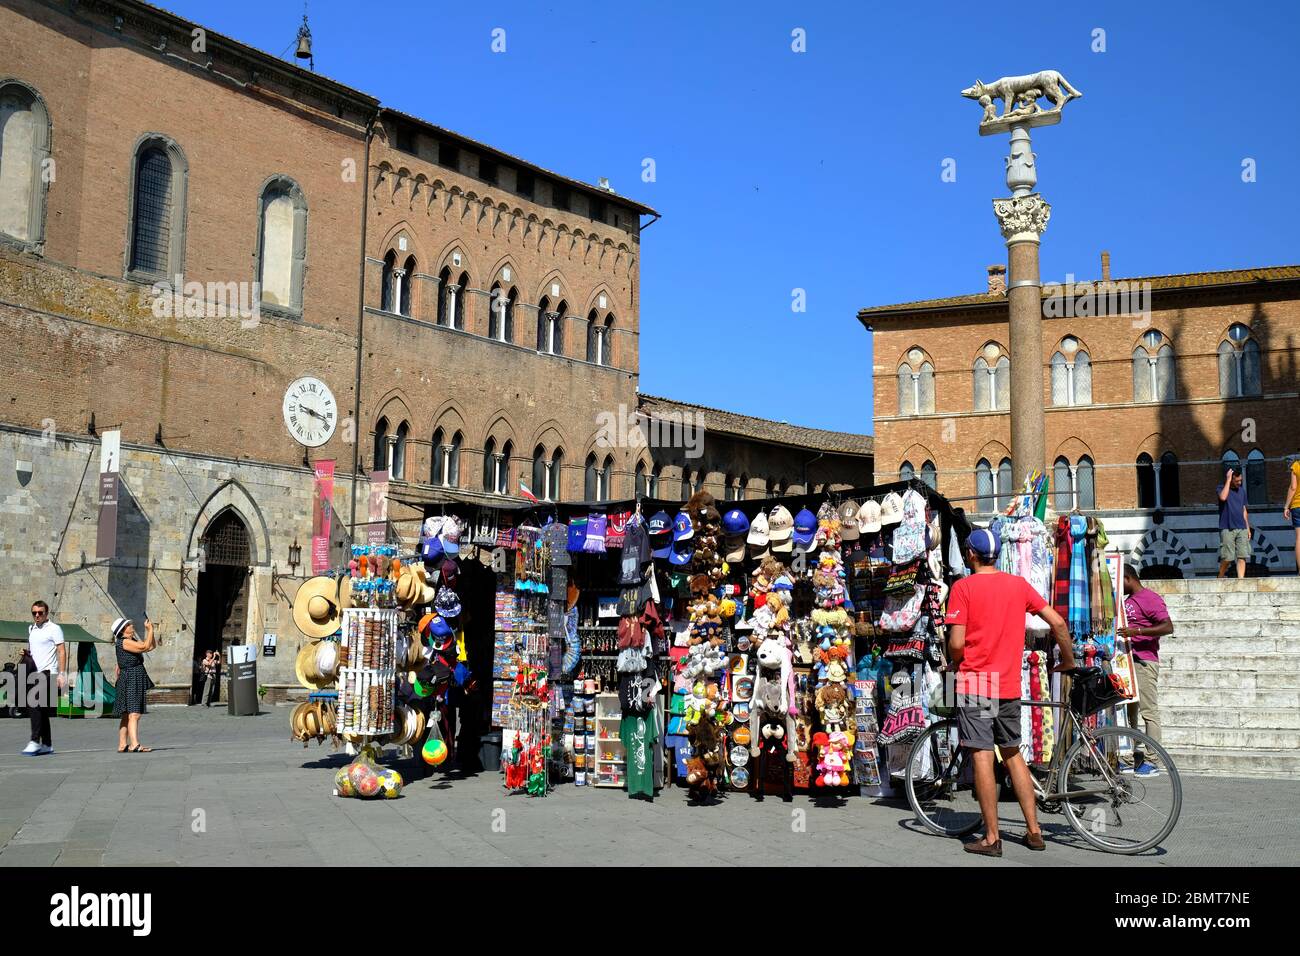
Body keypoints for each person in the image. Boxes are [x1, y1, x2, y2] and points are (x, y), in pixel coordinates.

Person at [944, 528, 1076, 857]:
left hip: (976, 681)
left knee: (982, 757)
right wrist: (1068, 660)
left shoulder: (962, 588)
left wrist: (954, 662)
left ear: (971, 555)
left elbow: (957, 643)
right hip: (1008, 682)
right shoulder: (1017, 585)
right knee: (1013, 753)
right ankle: (1034, 831)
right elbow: (1058, 623)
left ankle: (992, 838)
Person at [1117, 565, 1174, 777]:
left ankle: (1152, 760)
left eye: (1119, 581)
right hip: (1126, 662)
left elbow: (1168, 627)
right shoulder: (1126, 600)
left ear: (1128, 578)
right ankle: (1129, 756)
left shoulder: (1149, 598)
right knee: (1128, 711)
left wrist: (1137, 631)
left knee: (1148, 712)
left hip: (1144, 661)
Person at [22, 600, 66, 756]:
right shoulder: (31, 628)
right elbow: (35, 650)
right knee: (42, 709)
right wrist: (26, 655)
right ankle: (47, 744)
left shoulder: (54, 629)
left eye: (40, 612)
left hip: (48, 673)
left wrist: (61, 674)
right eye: (34, 613)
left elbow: (61, 651)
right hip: (33, 672)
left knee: (34, 706)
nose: (37, 615)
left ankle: (34, 741)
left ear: (46, 613)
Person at [111, 617, 157, 753]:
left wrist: (151, 632)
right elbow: (144, 647)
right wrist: (150, 630)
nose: (132, 626)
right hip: (131, 677)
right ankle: (134, 744)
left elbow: (151, 646)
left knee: (126, 714)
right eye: (129, 625)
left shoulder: (130, 641)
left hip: (129, 677)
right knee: (134, 713)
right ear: (123, 630)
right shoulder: (124, 642)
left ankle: (122, 744)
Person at [1217, 466, 1250, 579]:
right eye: (1237, 481)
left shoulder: (1242, 491)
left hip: (1242, 527)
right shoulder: (1221, 487)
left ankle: (1241, 580)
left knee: (1242, 556)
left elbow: (1244, 510)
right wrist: (1228, 480)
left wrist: (1248, 528)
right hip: (1227, 527)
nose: (1239, 483)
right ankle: (1220, 575)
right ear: (1231, 479)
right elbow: (1223, 497)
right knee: (1228, 557)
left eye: (1241, 480)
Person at [1284, 457, 1300, 575]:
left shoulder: (1296, 465)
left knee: (1299, 538)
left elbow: (1293, 487)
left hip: (1297, 506)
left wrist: (1286, 506)